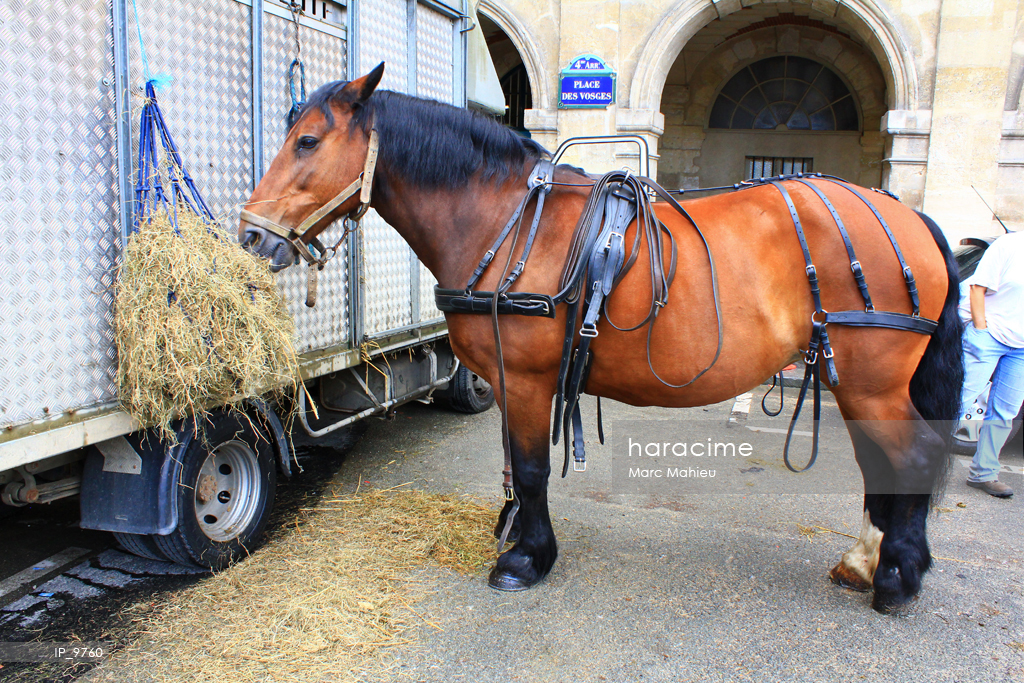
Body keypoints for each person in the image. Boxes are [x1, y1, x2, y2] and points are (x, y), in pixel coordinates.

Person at [957, 229, 1024, 498]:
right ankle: (916, 465)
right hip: (991, 334)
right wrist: (981, 330)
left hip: (1021, 347)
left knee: (1005, 412)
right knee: (959, 401)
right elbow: (977, 288)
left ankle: (983, 474)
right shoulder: (1010, 245)